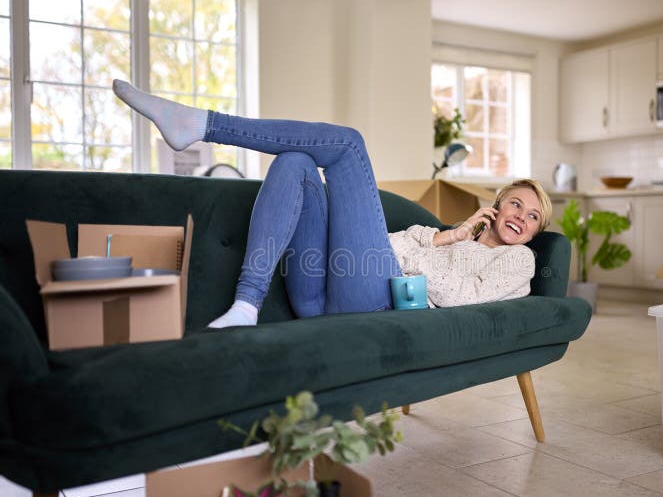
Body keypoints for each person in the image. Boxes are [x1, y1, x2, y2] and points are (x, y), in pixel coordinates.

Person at [112, 80, 552, 328]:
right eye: (516, 204)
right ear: (496, 206)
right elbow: (388, 244)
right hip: (320, 295)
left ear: (535, 231)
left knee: (348, 144)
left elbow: (461, 299)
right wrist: (449, 236)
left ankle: (204, 124)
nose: (521, 218)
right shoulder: (452, 237)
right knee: (296, 162)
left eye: (533, 217)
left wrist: (417, 255)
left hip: (380, 301)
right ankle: (246, 305)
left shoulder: (520, 263)